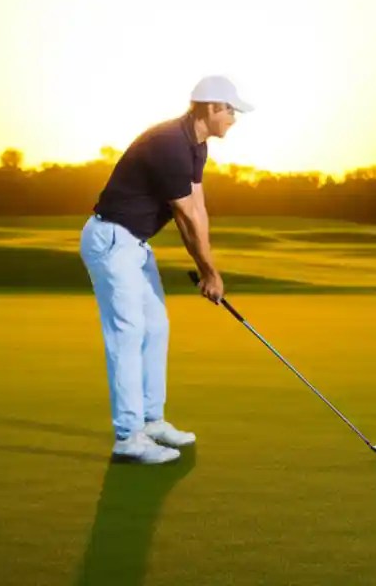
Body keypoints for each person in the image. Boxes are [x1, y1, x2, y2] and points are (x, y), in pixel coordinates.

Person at [80, 75, 254, 464]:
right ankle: (128, 437)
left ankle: (151, 420)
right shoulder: (170, 144)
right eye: (231, 111)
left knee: (156, 327)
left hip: (134, 244)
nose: (234, 119)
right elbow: (185, 216)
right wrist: (209, 273)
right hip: (111, 239)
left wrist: (211, 270)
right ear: (212, 108)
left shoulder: (196, 146)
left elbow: (199, 207)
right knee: (128, 334)